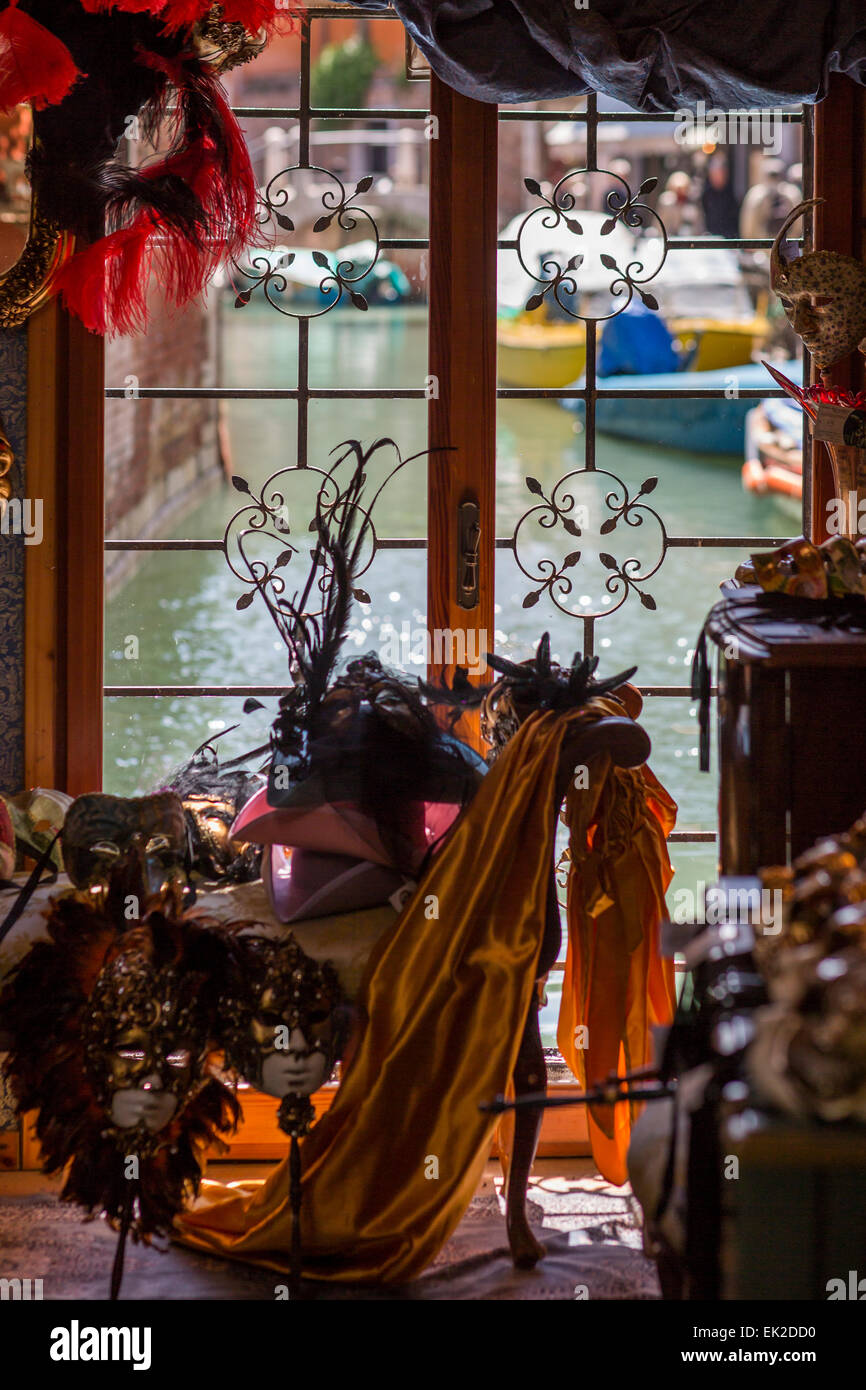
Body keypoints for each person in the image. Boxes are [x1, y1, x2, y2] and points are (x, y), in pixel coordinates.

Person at [700, 153, 740, 239]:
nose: (718, 177)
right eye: (714, 173)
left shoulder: (732, 194)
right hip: (710, 240)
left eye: (721, 173)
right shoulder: (706, 194)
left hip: (729, 241)